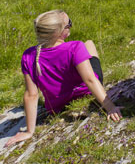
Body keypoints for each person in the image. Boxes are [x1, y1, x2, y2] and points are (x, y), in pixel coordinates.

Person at [5, 10, 122, 147]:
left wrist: (30, 131)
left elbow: (31, 95)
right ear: (60, 32)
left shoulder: (28, 56)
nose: (70, 27)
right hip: (86, 93)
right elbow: (90, 80)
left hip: (57, 107)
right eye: (69, 24)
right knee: (89, 43)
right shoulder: (75, 47)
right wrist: (110, 107)